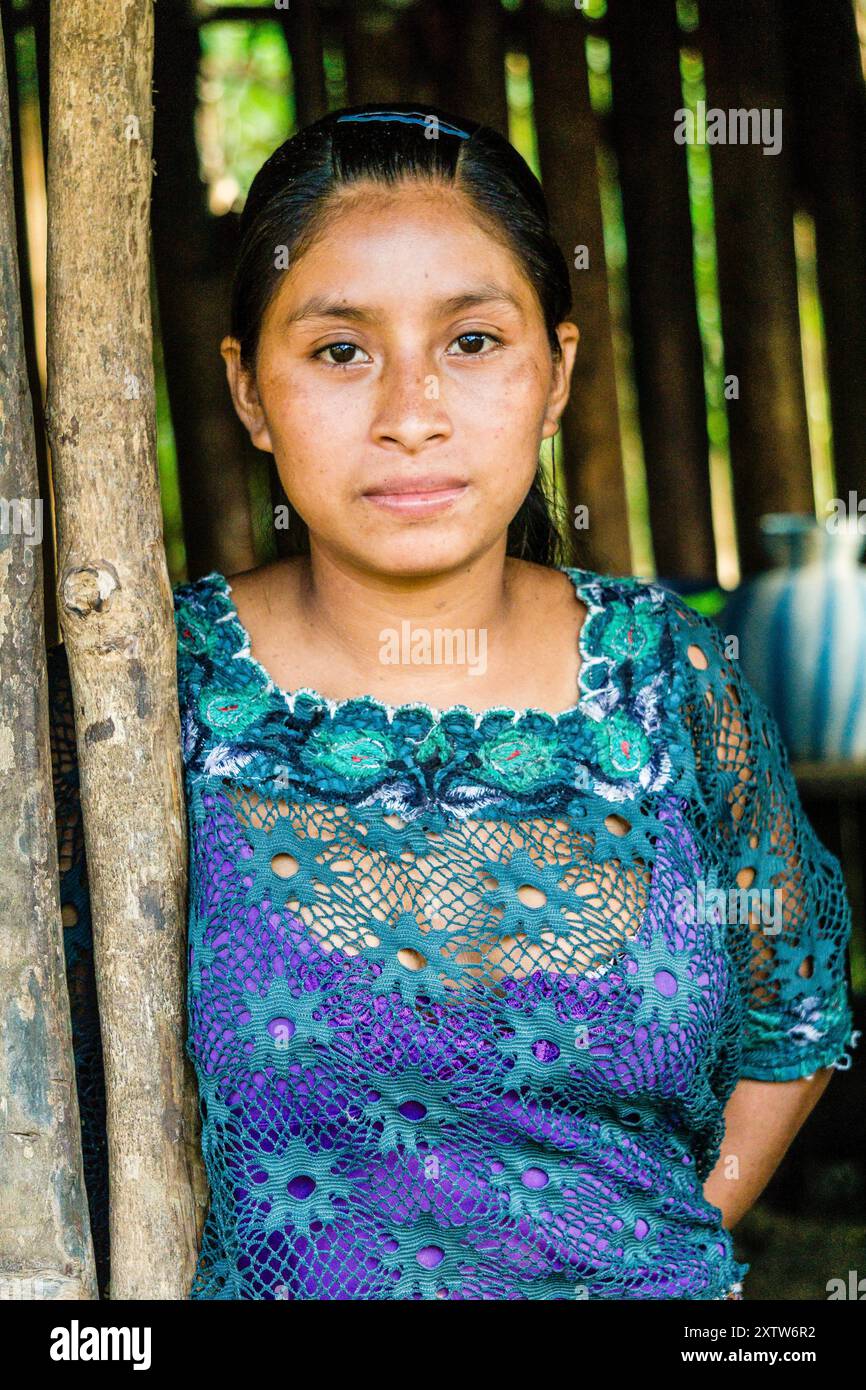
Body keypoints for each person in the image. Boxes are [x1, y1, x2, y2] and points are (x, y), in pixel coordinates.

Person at [50, 102, 857, 1301]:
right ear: (249, 392)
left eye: (472, 341)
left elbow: (791, 1022)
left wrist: (659, 1253)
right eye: (339, 351)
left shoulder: (664, 679)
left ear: (555, 373)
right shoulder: (155, 701)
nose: (410, 411)